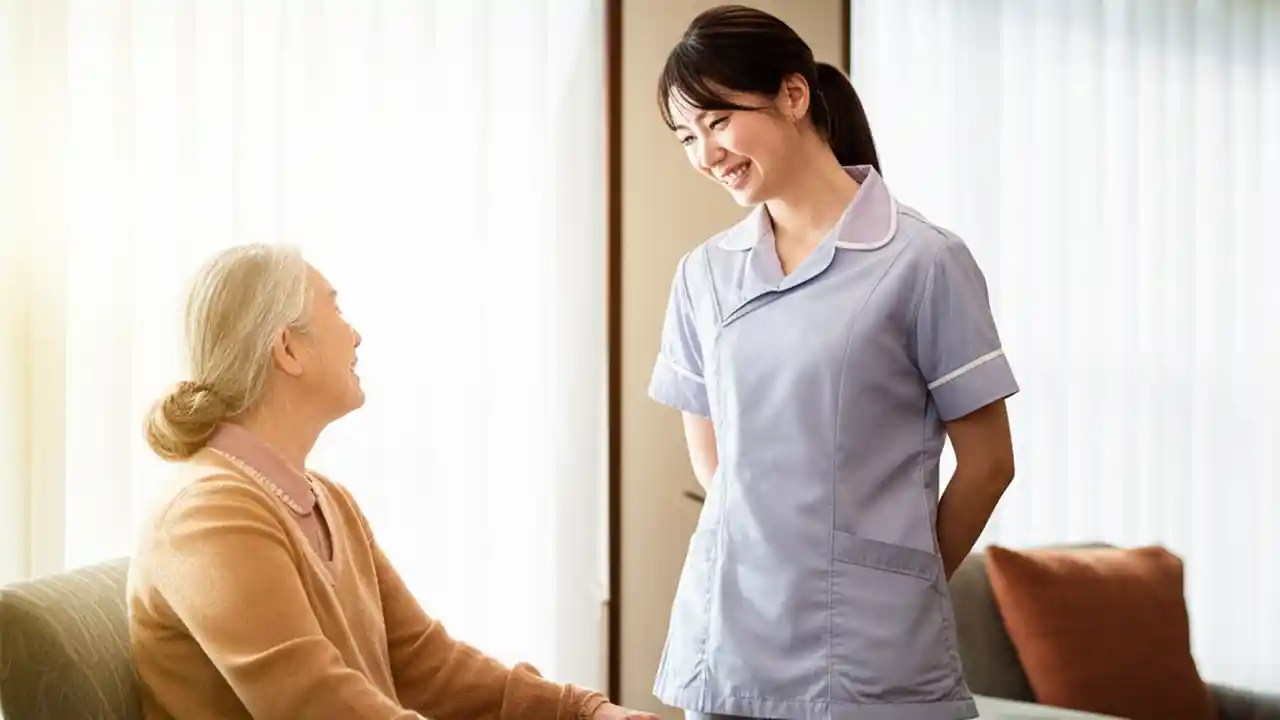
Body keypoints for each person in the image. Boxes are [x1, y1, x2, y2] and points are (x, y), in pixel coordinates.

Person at [648, 6, 1018, 720]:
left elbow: (989, 462)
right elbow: (715, 461)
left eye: (718, 121)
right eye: (686, 136)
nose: (704, 153)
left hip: (874, 654)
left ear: (793, 96)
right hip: (726, 640)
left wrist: (903, 585)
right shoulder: (703, 274)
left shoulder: (923, 261)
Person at [128, 244, 656, 720]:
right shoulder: (206, 513)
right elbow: (316, 705)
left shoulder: (326, 500)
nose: (355, 334)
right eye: (335, 307)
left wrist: (583, 713)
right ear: (287, 348)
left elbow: (423, 663)